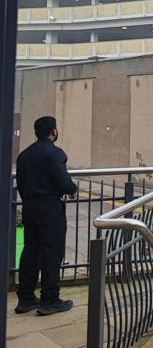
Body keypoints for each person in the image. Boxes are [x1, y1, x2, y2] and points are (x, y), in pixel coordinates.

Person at [14, 116, 77, 316]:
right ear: (54, 131)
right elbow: (64, 183)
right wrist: (73, 188)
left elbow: (22, 186)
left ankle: (25, 299)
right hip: (50, 209)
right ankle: (49, 300)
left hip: (30, 208)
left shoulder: (24, 155)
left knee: (30, 251)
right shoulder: (55, 153)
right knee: (52, 253)